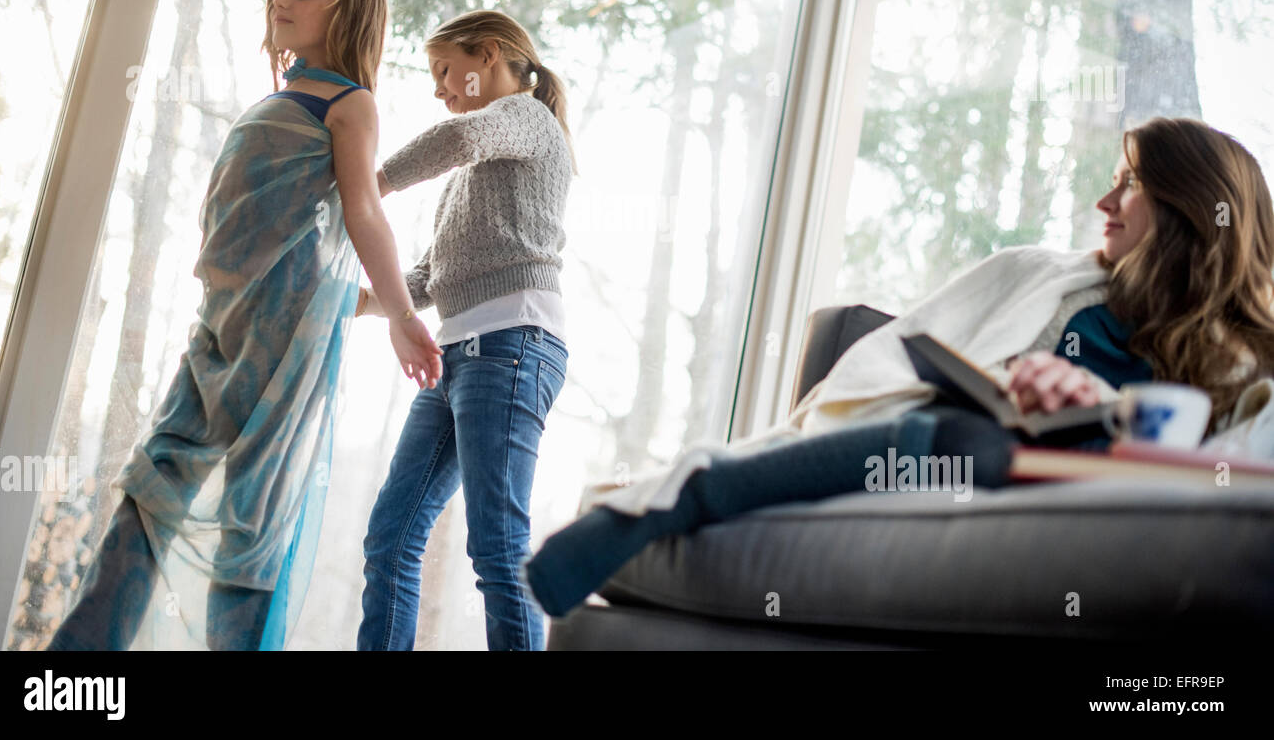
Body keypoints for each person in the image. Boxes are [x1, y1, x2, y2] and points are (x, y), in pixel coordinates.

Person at [520, 116, 1274, 619]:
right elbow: (903, 359)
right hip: (975, 452)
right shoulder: (1042, 276)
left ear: (1188, 206)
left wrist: (1103, 409)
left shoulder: (1247, 358)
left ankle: (692, 488)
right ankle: (690, 488)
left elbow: (1235, 464)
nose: (1104, 199)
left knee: (963, 441)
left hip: (1091, 483)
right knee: (958, 435)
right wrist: (1021, 380)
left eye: (1131, 182)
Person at [48, 0, 443, 650]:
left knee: (251, 520)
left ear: (344, 14)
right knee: (148, 492)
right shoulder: (274, 99)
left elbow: (362, 212)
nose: (281, 2)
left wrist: (403, 313)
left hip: (279, 344)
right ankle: (75, 667)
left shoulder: (350, 105)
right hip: (218, 333)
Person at [355, 10, 577, 651]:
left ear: (488, 56)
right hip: (461, 355)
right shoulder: (477, 171)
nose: (439, 88)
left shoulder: (525, 119)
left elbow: (457, 137)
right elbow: (432, 276)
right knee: (391, 536)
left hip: (512, 348)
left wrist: (368, 188)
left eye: (445, 71)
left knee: (497, 548)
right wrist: (363, 300)